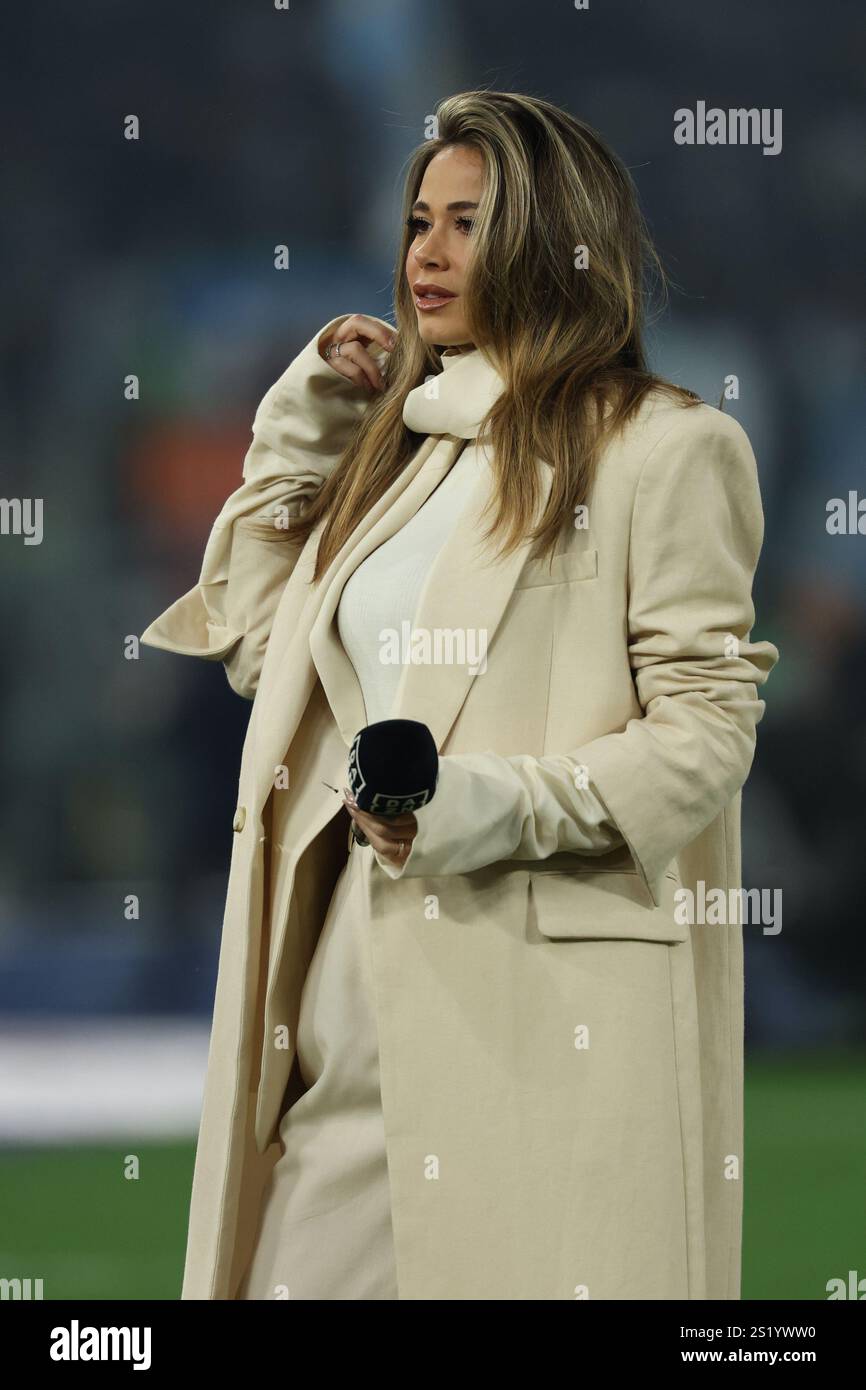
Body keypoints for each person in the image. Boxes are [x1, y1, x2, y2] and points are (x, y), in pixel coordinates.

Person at [140, 89, 780, 1301]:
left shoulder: (666, 448)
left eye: (466, 223)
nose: (424, 254)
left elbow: (703, 734)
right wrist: (309, 421)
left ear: (548, 238)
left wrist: (472, 804)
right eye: (416, 221)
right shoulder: (401, 451)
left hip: (541, 1009)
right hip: (341, 991)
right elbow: (259, 647)